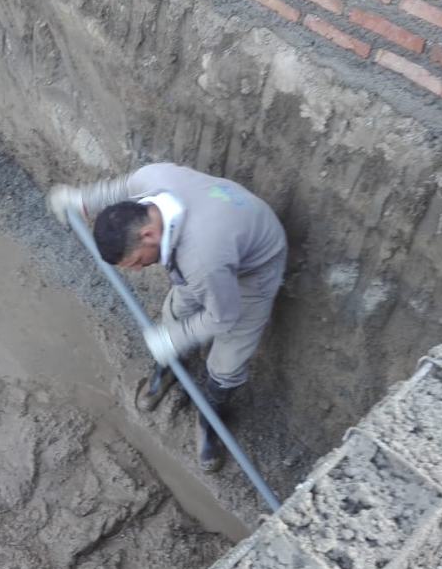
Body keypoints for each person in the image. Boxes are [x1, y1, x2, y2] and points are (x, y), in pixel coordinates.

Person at [48, 162, 287, 472]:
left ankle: (210, 418)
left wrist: (173, 338)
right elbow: (118, 191)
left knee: (227, 358)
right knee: (175, 313)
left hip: (255, 267)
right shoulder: (151, 180)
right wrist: (80, 199)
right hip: (222, 238)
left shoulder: (201, 258)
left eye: (134, 261)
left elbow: (223, 316)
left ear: (148, 234)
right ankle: (170, 369)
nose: (134, 270)